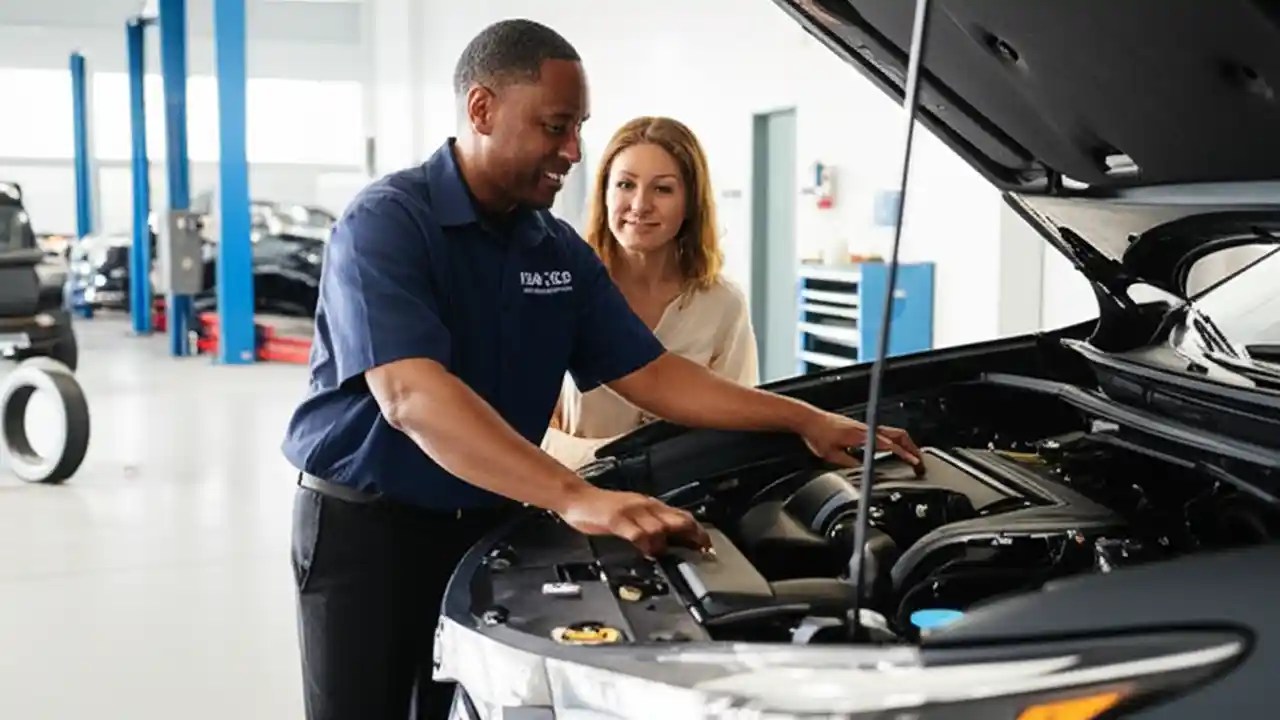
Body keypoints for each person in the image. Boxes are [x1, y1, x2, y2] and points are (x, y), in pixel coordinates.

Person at [281, 18, 924, 720]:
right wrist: (572, 495)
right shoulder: (388, 223)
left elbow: (652, 373)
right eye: (556, 127)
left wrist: (805, 418)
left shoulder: (553, 249)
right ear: (482, 109)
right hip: (370, 535)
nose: (573, 150)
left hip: (488, 527)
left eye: (578, 127)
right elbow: (412, 395)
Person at [542, 116, 758, 469]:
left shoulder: (724, 306)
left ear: (690, 201)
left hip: (685, 498)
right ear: (605, 194)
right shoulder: (563, 289)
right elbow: (528, 429)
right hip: (578, 494)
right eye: (626, 184)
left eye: (663, 189)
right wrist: (613, 461)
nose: (640, 205)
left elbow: (737, 425)